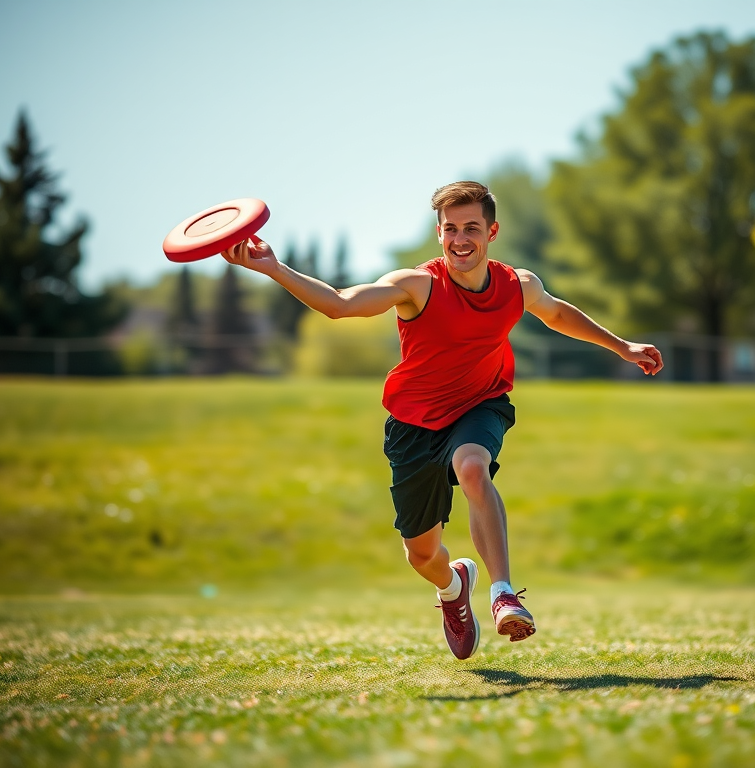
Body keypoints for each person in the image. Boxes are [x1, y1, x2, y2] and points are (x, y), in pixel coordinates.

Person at [221, 181, 663, 660]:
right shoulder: (417, 286)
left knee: (472, 466)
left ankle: (503, 594)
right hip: (413, 424)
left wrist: (623, 347)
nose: (461, 239)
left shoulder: (518, 285)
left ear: (492, 231)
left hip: (480, 403)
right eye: (451, 229)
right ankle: (455, 588)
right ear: (439, 233)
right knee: (423, 556)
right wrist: (272, 267)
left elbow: (556, 314)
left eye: (472, 227)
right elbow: (341, 304)